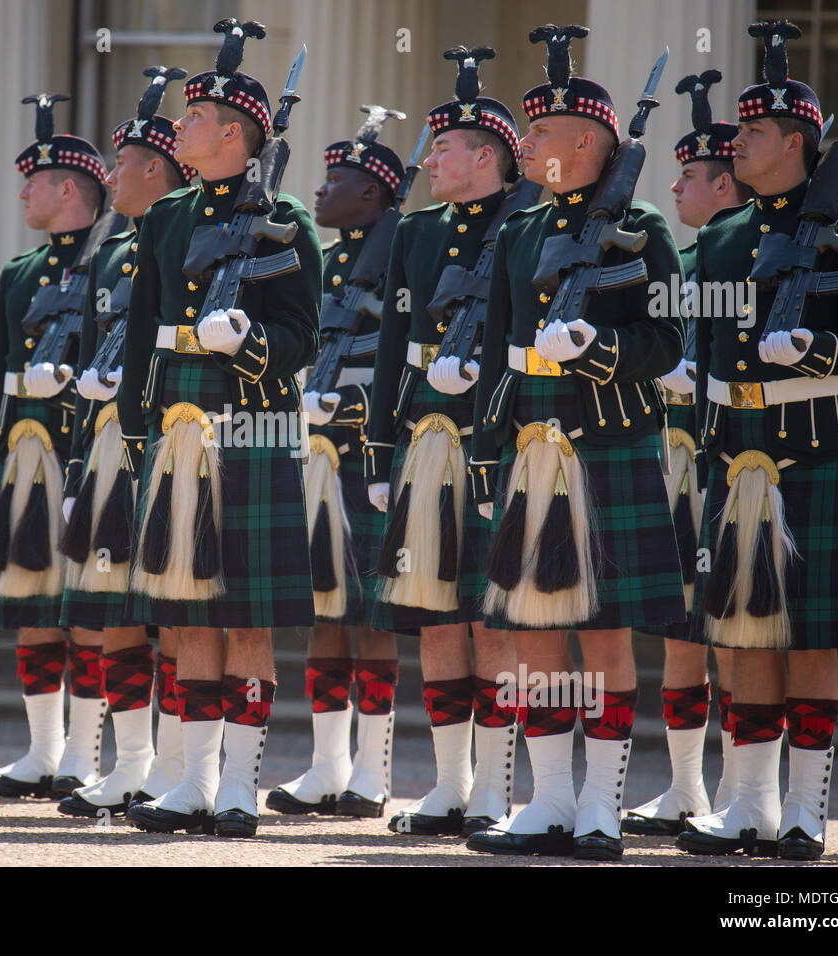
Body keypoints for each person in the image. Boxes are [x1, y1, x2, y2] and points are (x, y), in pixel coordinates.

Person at [677, 21, 838, 860]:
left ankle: (805, 811)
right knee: (741, 634)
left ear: (798, 141)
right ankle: (746, 805)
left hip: (818, 445)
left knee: (810, 637)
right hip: (738, 452)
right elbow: (700, 356)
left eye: (754, 133)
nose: (737, 143)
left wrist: (820, 348)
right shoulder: (725, 238)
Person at [464, 24, 684, 860]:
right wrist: (490, 455)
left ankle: (601, 802)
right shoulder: (520, 233)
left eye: (543, 131)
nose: (524, 141)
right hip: (534, 446)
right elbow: (494, 357)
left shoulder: (644, 227)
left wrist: (600, 353)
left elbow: (667, 347)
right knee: (530, 628)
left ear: (588, 143)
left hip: (610, 440)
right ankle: (548, 797)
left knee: (605, 629)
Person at [121, 18, 322, 838]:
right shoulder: (168, 217)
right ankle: (193, 782)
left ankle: (239, 785)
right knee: (187, 610)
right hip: (179, 420)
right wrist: (139, 427)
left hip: (252, 422)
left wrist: (254, 343)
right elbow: (142, 329)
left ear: (235, 134)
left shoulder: (287, 220)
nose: (181, 126)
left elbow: (303, 338)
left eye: (196, 118)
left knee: (245, 613)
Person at [364, 48, 520, 837]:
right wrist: (377, 448)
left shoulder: (526, 223)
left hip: (495, 434)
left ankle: (495, 787)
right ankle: (450, 784)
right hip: (425, 433)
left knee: (490, 615)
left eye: (444, 149)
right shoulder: (417, 233)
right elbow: (394, 344)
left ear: (485, 156)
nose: (429, 161)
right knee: (432, 613)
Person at [56, 66, 195, 818]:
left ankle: (175, 765)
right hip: (111, 445)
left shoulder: (185, 243)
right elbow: (87, 361)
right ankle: (132, 761)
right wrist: (80, 463)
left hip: (172, 441)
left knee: (174, 609)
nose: (109, 177)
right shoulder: (108, 254)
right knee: (111, 605)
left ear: (158, 170)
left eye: (123, 165)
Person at [0, 93, 110, 802]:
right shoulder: (21, 273)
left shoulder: (112, 265)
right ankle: (42, 752)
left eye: (34, 182)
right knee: (30, 607)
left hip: (81, 451)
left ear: (67, 189)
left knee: (86, 609)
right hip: (24, 453)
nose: (22, 192)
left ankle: (84, 757)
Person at [264, 106, 404, 820]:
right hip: (313, 454)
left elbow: (397, 365)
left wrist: (347, 412)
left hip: (362, 455)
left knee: (373, 615)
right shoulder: (326, 256)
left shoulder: (400, 252)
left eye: (338, 181)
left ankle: (373, 772)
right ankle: (327, 764)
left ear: (376, 195)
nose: (320, 194)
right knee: (325, 611)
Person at [623, 69, 750, 835]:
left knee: (733, 631)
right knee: (678, 629)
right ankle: (685, 788)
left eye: (690, 176)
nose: (674, 187)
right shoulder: (686, 261)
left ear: (725, 185)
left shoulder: (752, 260)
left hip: (731, 460)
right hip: (676, 458)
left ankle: (741, 790)